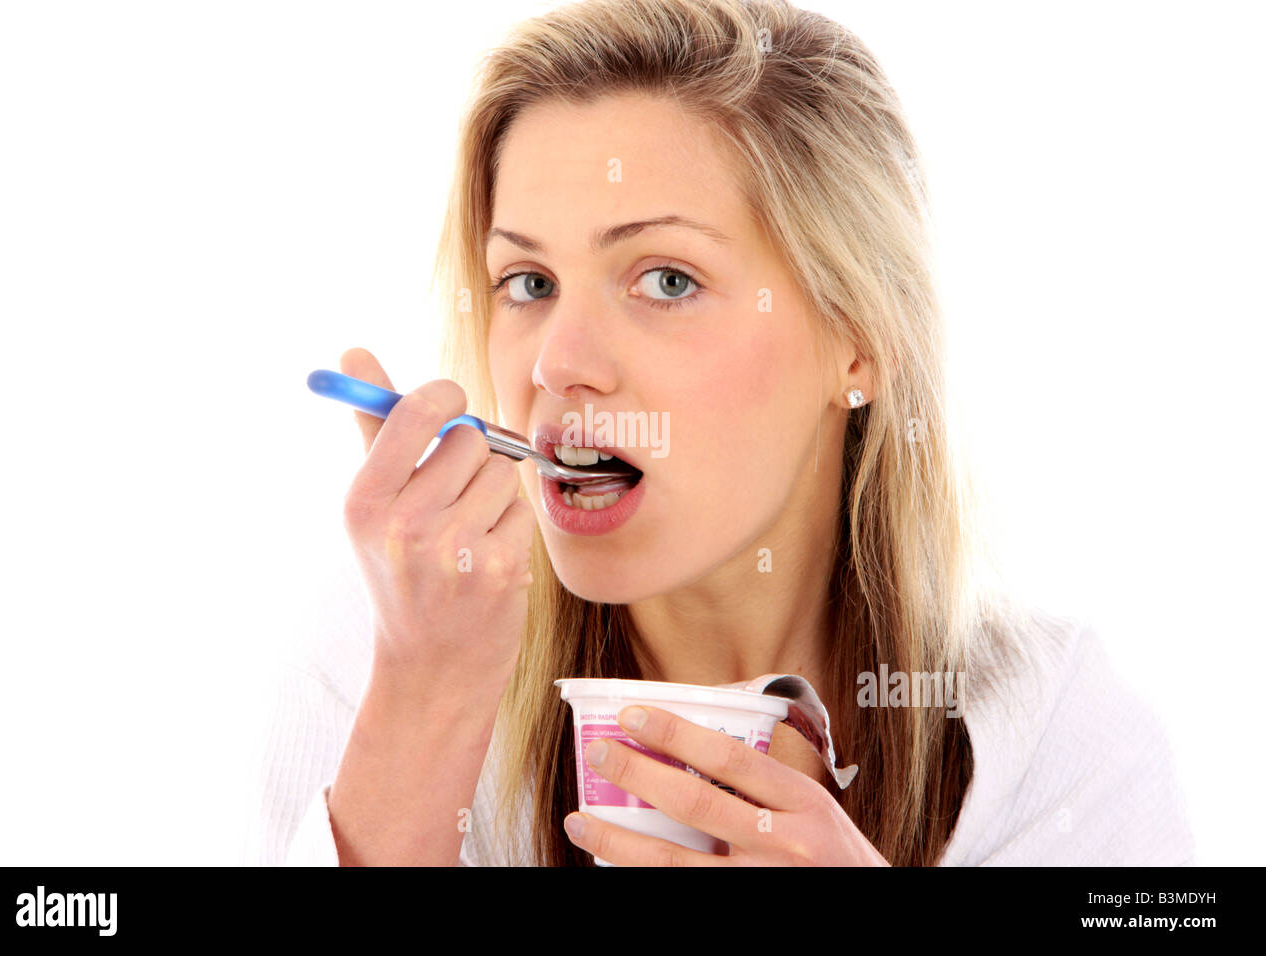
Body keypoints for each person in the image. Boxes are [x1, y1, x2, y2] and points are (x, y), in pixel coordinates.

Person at [245, 0, 1194, 866]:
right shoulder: (385, 647)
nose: (557, 365)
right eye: (529, 283)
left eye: (666, 280)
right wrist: (427, 700)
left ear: (859, 339)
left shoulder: (1060, 739)